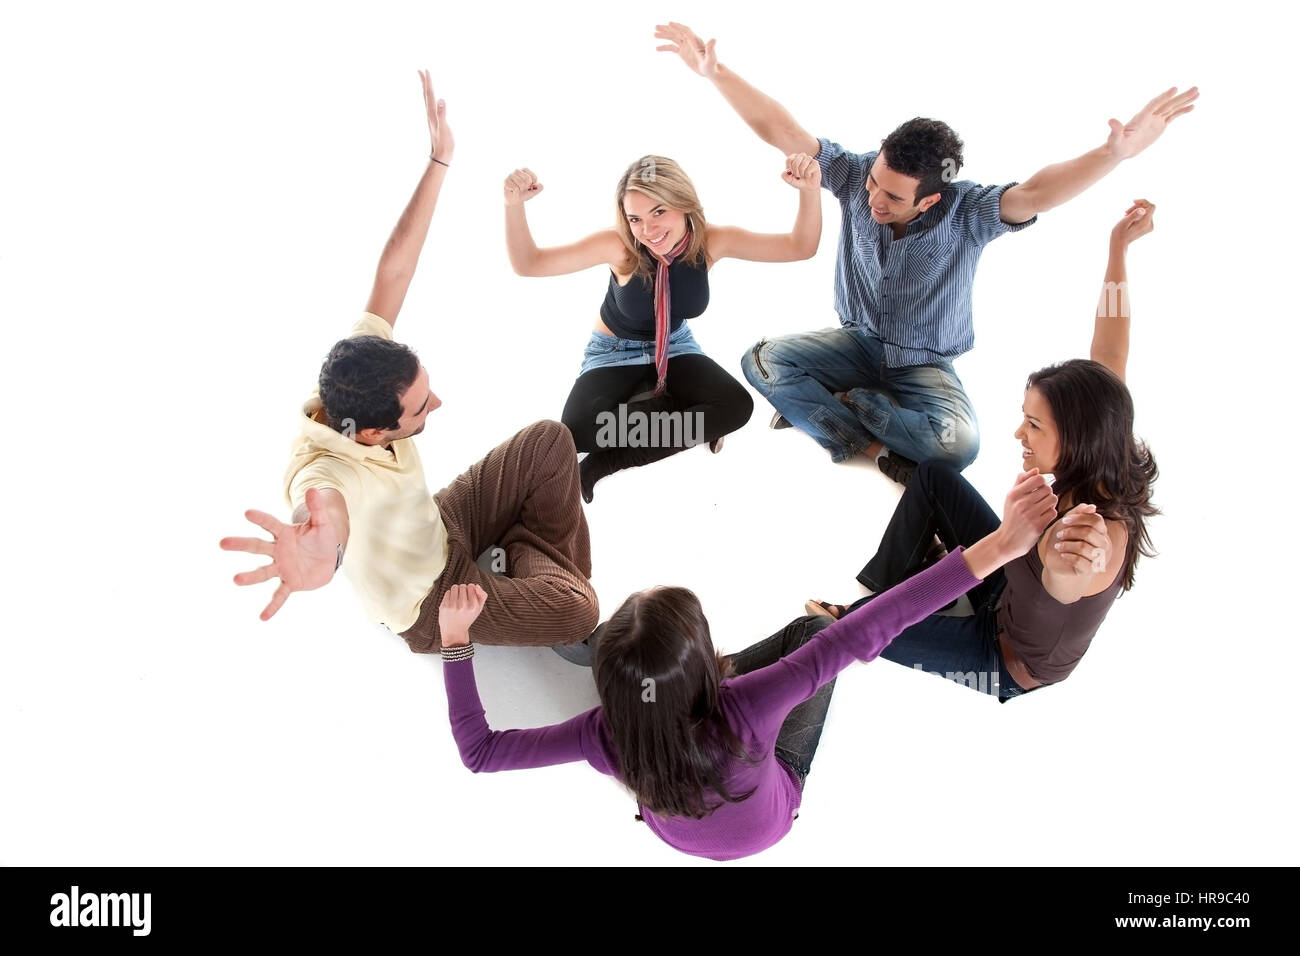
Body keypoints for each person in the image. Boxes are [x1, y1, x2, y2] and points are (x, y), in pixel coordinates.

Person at [655, 21, 1196, 484]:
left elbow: (1037, 193)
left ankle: (844, 405)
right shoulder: (856, 175)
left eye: (892, 196)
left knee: (958, 446)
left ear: (931, 198)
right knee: (761, 360)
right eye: (873, 183)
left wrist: (1112, 154)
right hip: (857, 344)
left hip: (924, 366)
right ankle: (869, 446)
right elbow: (784, 131)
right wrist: (714, 74)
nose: (873, 199)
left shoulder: (969, 213)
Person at [436, 467, 1055, 860]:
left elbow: (479, 752)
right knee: (820, 627)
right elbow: (869, 626)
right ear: (708, 668)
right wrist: (1001, 545)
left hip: (674, 833)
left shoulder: (602, 733)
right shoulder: (749, 704)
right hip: (772, 818)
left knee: (651, 656)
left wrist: (456, 641)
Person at [219, 73, 598, 653]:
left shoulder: (356, 373)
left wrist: (439, 161)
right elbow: (325, 505)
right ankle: (539, 574)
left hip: (441, 525)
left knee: (550, 440)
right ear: (373, 433)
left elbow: (394, 266)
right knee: (579, 612)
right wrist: (323, 545)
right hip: (429, 602)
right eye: (422, 407)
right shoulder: (326, 472)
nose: (437, 404)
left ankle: (527, 559)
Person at [805, 202, 1161, 699]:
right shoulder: (1108, 433)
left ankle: (879, 607)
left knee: (846, 633)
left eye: (1034, 425)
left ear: (1076, 437)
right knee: (932, 476)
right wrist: (1118, 248)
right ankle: (888, 584)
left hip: (1001, 654)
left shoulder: (1085, 539)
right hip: (1008, 578)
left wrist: (1075, 560)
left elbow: (1068, 574)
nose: (1019, 434)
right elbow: (1112, 349)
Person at [503, 151, 821, 502]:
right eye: (636, 218)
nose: (648, 231)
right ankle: (685, 416)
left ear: (683, 203)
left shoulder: (711, 242)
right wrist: (514, 204)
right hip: (613, 353)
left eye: (659, 212)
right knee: (577, 432)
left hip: (674, 345)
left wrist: (809, 191)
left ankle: (605, 463)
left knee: (736, 407)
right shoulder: (619, 246)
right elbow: (529, 264)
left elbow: (800, 247)